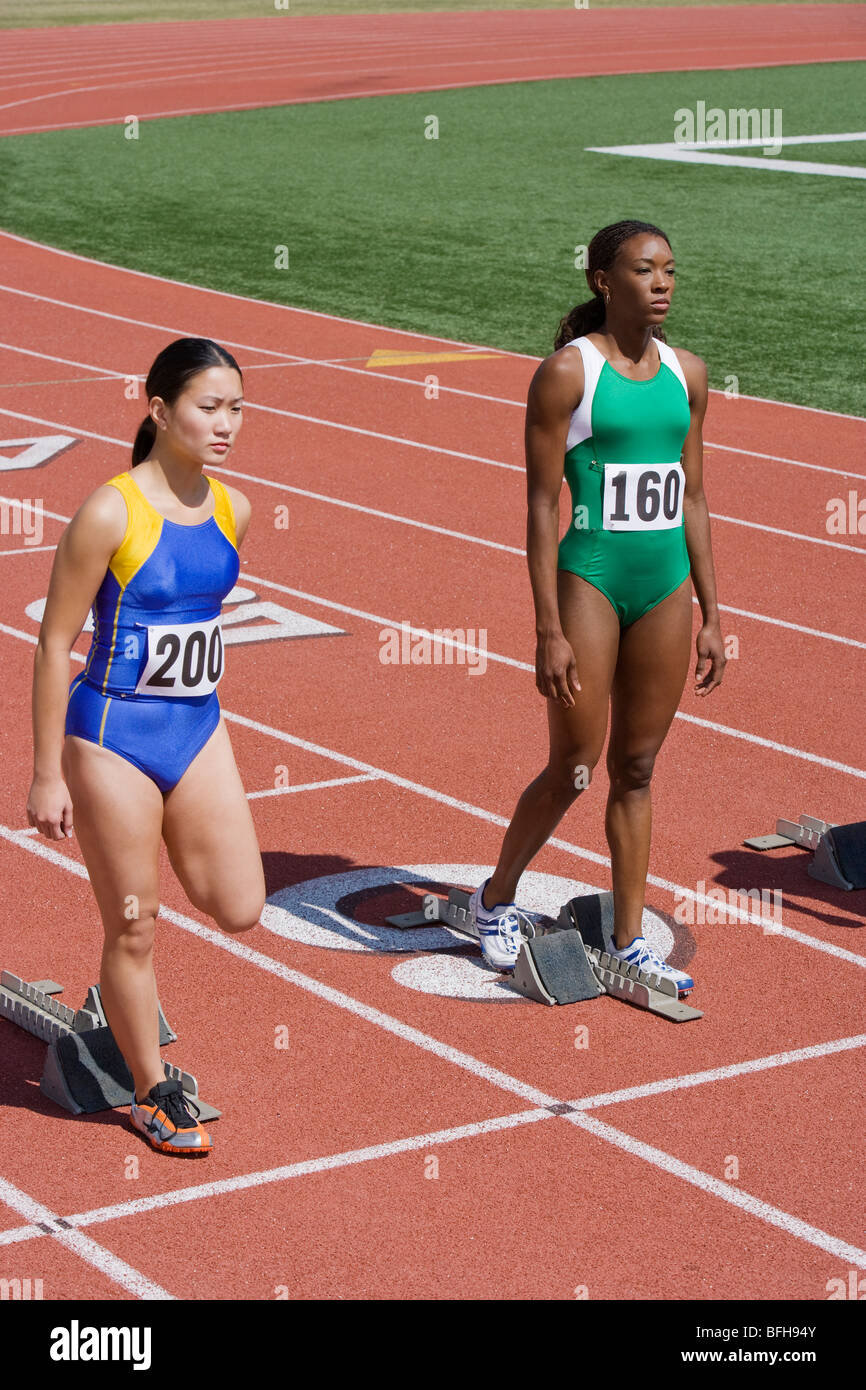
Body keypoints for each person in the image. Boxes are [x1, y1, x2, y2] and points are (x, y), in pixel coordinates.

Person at [469, 220, 726, 991]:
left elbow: (696, 497)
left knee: (638, 768)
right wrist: (547, 628)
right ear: (602, 280)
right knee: (575, 766)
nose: (662, 285)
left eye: (671, 272)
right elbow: (542, 507)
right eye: (645, 271)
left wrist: (714, 611)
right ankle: (495, 898)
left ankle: (629, 935)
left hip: (665, 587)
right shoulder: (566, 374)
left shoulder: (690, 374)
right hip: (591, 582)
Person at [26, 337, 266, 1156]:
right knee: (135, 922)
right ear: (160, 411)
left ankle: (124, 1010)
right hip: (111, 735)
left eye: (236, 407)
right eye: (209, 406)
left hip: (197, 725)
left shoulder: (233, 508)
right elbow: (56, 642)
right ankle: (152, 1088)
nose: (227, 422)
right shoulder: (109, 511)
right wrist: (45, 772)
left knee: (239, 906)